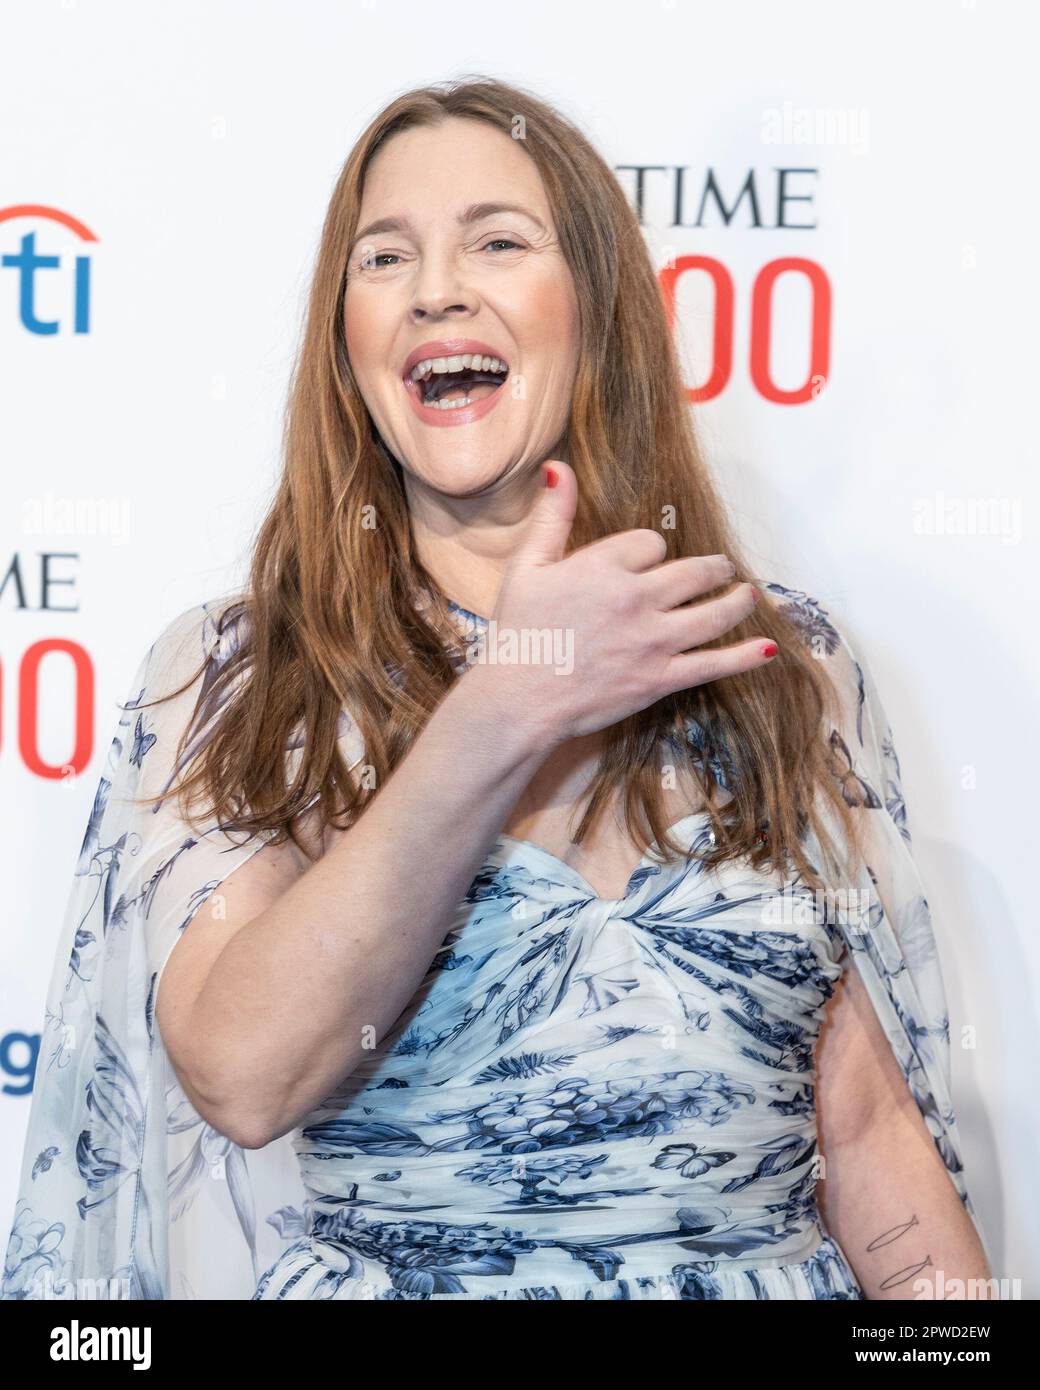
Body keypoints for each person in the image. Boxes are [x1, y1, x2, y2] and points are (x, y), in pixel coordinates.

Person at [2, 76, 992, 1302]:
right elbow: (242, 1073)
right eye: (384, 256)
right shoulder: (247, 678)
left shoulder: (779, 663)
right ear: (347, 342)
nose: (434, 289)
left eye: (496, 241)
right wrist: (504, 704)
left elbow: (862, 1131)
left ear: (595, 308)